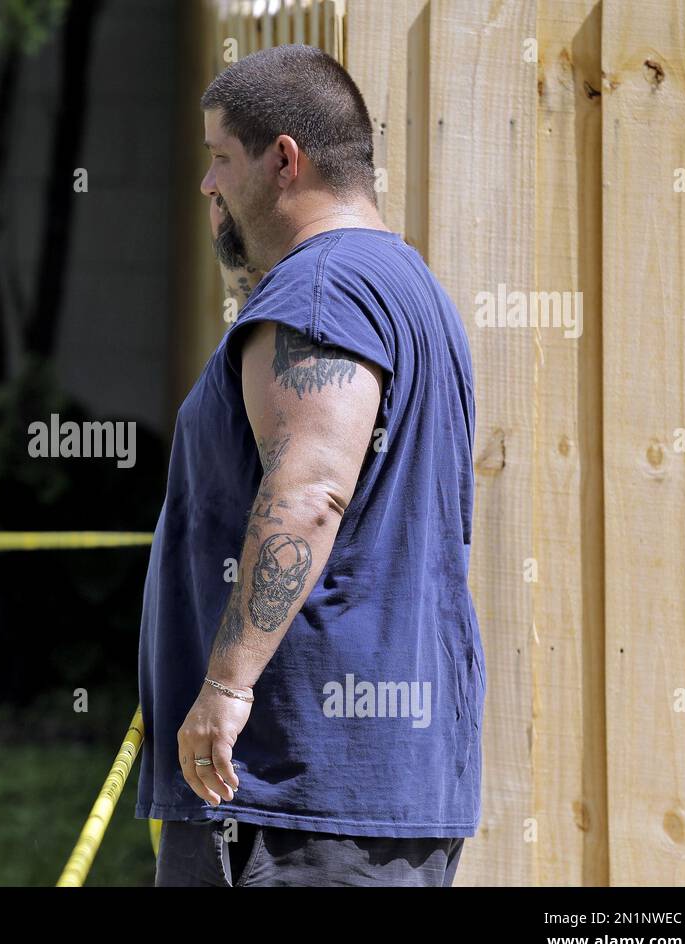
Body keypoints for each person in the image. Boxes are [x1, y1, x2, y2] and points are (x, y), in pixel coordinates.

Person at [135, 43, 485, 886]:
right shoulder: (410, 288)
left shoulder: (319, 291)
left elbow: (309, 493)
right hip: (373, 794)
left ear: (283, 159)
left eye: (222, 158)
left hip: (292, 794)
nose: (209, 186)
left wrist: (224, 685)